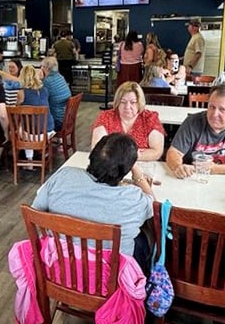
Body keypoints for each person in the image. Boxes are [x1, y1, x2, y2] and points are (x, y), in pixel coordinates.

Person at [32, 133, 154, 269]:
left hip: (59, 268)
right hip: (109, 278)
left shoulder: (63, 175)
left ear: (92, 155)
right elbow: (153, 205)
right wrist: (138, 174)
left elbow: (36, 211)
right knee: (141, 239)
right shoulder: (133, 198)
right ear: (125, 169)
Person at [166, 83, 225, 178]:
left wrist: (215, 169)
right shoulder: (193, 122)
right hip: (195, 178)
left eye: (222, 110)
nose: (214, 114)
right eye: (211, 107)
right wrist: (177, 167)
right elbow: (174, 152)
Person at [91, 81, 165, 161]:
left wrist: (117, 154)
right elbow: (97, 150)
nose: (127, 106)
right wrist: (134, 154)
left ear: (140, 103)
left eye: (133, 102)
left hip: (143, 166)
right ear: (117, 102)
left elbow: (156, 151)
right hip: (111, 167)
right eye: (123, 102)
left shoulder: (150, 118)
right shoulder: (106, 117)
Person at [18, 65, 54, 131]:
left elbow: (15, 107)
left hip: (33, 131)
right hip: (49, 127)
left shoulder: (21, 92)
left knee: (12, 131)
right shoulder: (45, 90)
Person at [40, 56, 71, 131]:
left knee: (31, 120)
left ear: (46, 68)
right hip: (66, 117)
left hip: (57, 121)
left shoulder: (47, 82)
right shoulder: (60, 77)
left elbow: (40, 100)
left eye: (42, 66)